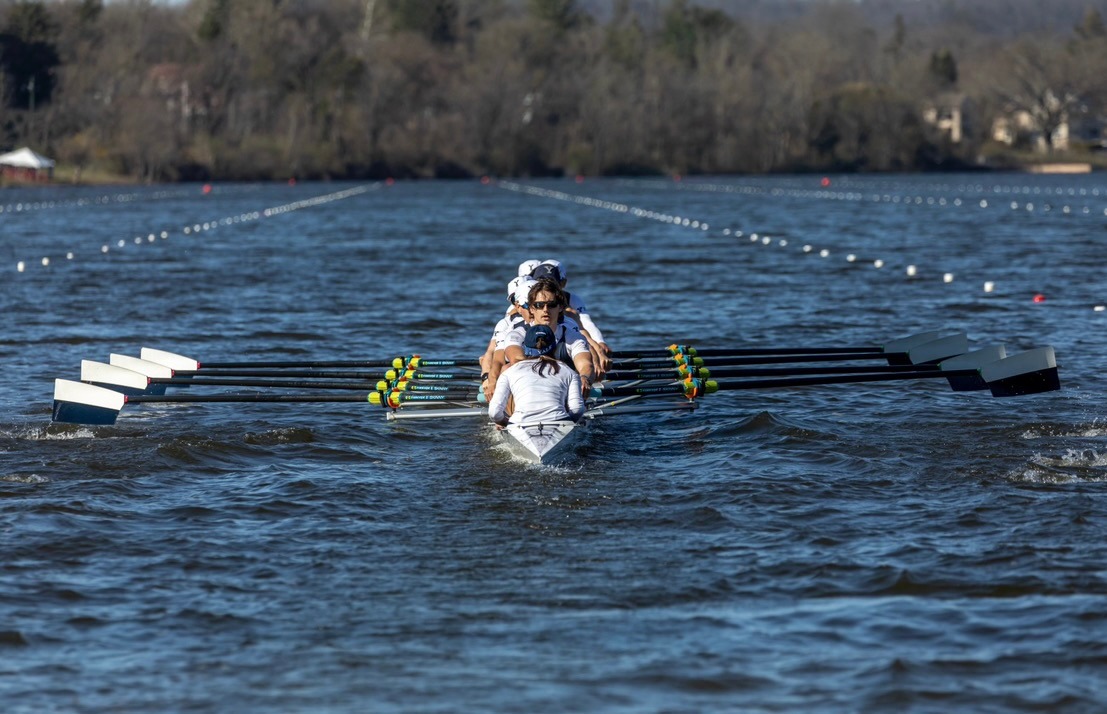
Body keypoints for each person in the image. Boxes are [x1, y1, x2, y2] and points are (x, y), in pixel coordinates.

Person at [493, 278, 596, 398]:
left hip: (561, 393)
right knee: (507, 368)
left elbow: (585, 365)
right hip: (527, 393)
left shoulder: (573, 337)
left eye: (551, 305)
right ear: (531, 308)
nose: (546, 310)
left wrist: (584, 378)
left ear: (561, 307)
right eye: (539, 305)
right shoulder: (517, 334)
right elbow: (516, 360)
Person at [488, 325, 585, 428]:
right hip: (559, 422)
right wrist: (570, 422)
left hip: (520, 424)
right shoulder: (569, 371)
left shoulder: (509, 372)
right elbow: (577, 410)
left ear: (524, 347)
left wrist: (506, 423)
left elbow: (494, 413)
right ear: (555, 347)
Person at [531, 259, 613, 372]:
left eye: (551, 283)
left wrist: (599, 344)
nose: (546, 287)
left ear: (562, 283)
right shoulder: (520, 307)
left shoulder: (571, 305)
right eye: (539, 305)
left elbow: (583, 327)